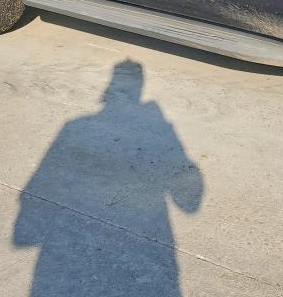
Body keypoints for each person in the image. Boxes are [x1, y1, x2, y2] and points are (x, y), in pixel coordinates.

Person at [13, 60, 203, 296]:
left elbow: (36, 186)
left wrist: (27, 228)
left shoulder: (74, 125)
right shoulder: (159, 124)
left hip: (63, 250)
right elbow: (189, 204)